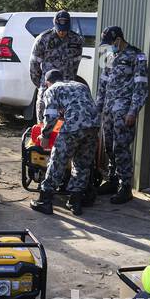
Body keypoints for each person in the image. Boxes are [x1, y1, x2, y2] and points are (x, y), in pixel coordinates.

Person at [29, 69, 99, 216]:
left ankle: (45, 201)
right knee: (82, 163)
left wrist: (45, 135)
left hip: (73, 126)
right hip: (93, 126)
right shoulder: (80, 85)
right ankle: (75, 201)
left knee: (57, 161)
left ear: (48, 82)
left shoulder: (52, 90)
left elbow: (51, 116)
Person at [94, 25, 149, 204]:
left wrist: (133, 111)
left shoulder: (138, 56)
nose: (109, 46)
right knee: (109, 145)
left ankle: (125, 187)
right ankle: (112, 180)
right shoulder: (109, 56)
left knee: (121, 146)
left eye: (111, 43)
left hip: (124, 110)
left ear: (119, 39)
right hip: (108, 109)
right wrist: (98, 108)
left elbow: (141, 86)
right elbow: (103, 83)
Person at [29, 10, 84, 94]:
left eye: (64, 30)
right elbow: (34, 65)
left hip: (67, 87)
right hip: (48, 87)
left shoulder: (76, 40)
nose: (62, 32)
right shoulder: (43, 39)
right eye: (59, 30)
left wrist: (70, 80)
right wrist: (41, 84)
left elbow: (75, 64)